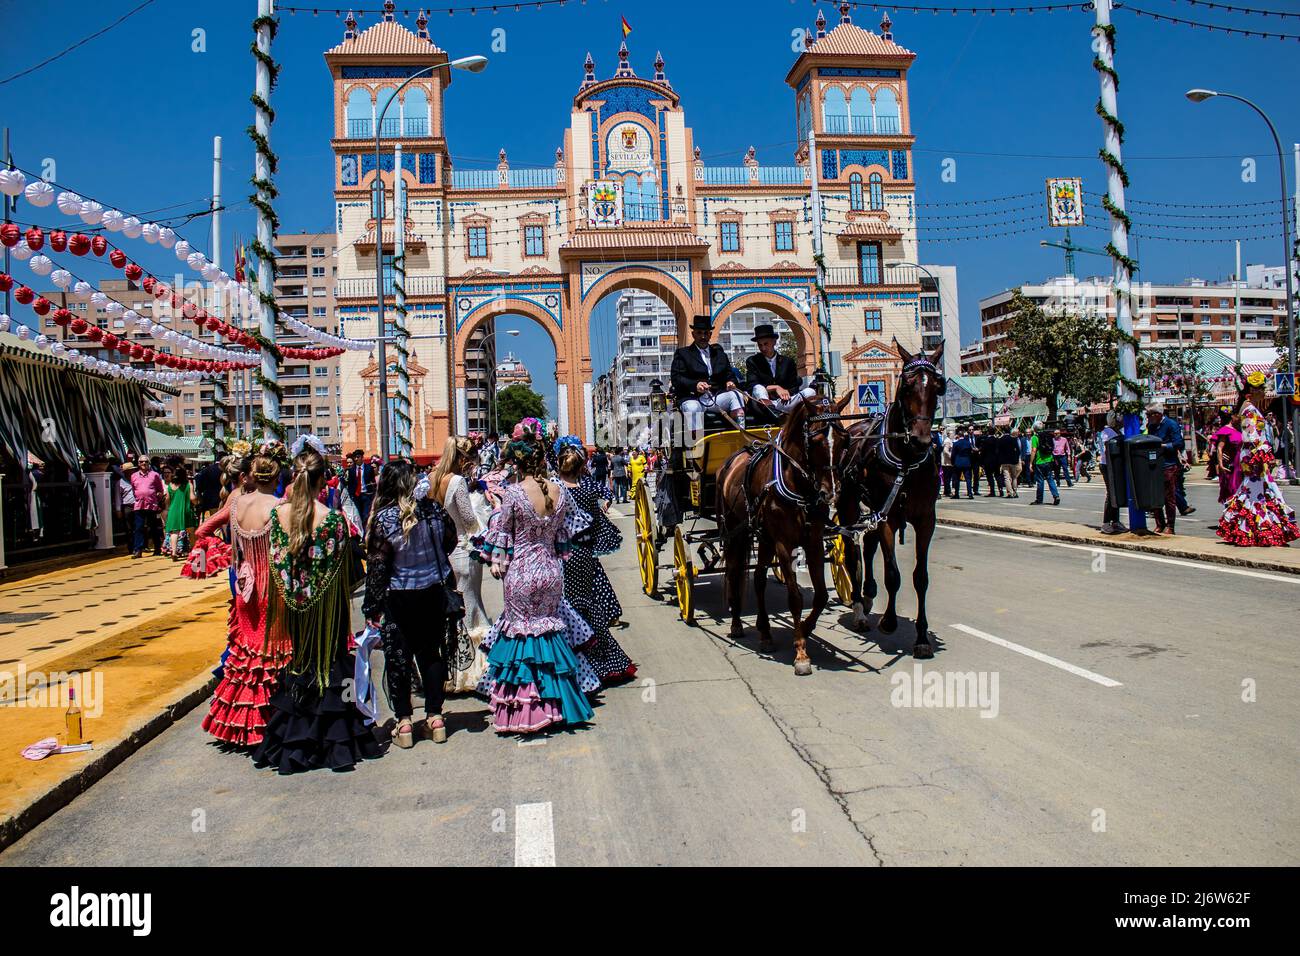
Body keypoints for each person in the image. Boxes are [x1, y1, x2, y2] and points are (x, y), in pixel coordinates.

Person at [253, 447, 380, 773]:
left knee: (300, 665)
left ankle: (295, 738)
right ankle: (335, 739)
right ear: (324, 480)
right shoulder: (334, 522)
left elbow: (276, 565)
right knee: (330, 668)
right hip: (325, 614)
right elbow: (346, 574)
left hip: (293, 612)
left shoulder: (278, 518)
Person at [472, 424, 599, 735]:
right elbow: (563, 536)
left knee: (523, 637)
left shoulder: (513, 493)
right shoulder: (559, 491)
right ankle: (559, 705)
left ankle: (527, 709)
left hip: (522, 573)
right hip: (552, 571)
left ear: (518, 463)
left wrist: (495, 563)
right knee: (549, 634)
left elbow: (501, 537)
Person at [190, 452, 290, 746]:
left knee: (247, 655)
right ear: (276, 478)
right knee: (274, 655)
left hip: (244, 587)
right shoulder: (278, 506)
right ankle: (273, 719)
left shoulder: (235, 505)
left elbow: (201, 530)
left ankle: (240, 723)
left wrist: (227, 553)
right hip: (271, 587)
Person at [363, 457, 458, 749]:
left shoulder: (384, 519)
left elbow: (378, 566)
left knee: (398, 659)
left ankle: (404, 721)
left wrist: (372, 606)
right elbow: (450, 541)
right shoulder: (433, 511)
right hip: (432, 590)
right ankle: (435, 717)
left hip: (399, 595)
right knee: (431, 653)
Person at [554, 437, 636, 685]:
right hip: (585, 556)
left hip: (562, 556)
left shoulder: (555, 490)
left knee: (564, 608)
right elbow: (599, 526)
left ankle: (568, 664)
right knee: (588, 606)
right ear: (581, 467)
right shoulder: (588, 491)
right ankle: (602, 661)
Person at [429, 436, 491, 694]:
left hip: (441, 552)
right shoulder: (456, 481)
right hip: (463, 550)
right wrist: (485, 518)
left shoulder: (432, 479)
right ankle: (470, 671)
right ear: (462, 459)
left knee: (449, 612)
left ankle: (447, 668)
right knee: (471, 609)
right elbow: (467, 518)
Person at [1217, 372, 1299, 547]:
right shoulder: (1249, 410)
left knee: (1259, 491)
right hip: (1254, 458)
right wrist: (1262, 455)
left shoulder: (1251, 408)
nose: (1264, 391)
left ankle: (1258, 528)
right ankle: (1255, 530)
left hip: (1255, 457)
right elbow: (1251, 437)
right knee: (1255, 493)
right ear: (1253, 390)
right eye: (1262, 388)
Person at [670, 314, 746, 437]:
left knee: (736, 395)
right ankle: (697, 445)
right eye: (699, 333)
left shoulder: (720, 354)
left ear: (710, 335)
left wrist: (730, 382)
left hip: (716, 397)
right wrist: (695, 385)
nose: (703, 336)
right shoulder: (683, 354)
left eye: (706, 333)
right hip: (693, 398)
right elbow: (677, 378)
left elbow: (729, 374)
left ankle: (740, 435)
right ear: (693, 334)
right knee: (692, 408)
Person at [745, 323, 816, 418]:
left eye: (766, 344)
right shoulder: (753, 361)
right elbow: (751, 385)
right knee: (758, 388)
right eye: (760, 345)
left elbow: (794, 386)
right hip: (763, 405)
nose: (763, 348)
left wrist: (786, 393)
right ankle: (773, 413)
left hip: (784, 402)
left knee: (810, 392)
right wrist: (776, 387)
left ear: (774, 342)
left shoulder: (788, 362)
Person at [1143, 403, 1184, 535]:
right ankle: (1159, 523)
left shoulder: (1171, 424)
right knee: (1154, 495)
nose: (1147, 418)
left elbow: (1179, 443)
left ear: (1158, 414)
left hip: (1168, 464)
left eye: (1149, 415)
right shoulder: (1151, 426)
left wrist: (1164, 446)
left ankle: (1170, 526)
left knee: (1169, 497)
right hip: (1154, 464)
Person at [129, 455, 166, 558]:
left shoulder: (155, 475)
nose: (143, 464)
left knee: (154, 528)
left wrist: (157, 498)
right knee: (138, 527)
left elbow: (160, 489)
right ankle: (138, 550)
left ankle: (157, 548)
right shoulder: (134, 476)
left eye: (145, 462)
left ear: (149, 463)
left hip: (151, 505)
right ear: (138, 464)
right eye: (141, 462)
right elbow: (133, 489)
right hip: (139, 505)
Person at [163, 464, 199, 561]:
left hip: (173, 511)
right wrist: (197, 502)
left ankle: (174, 552)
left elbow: (167, 499)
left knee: (174, 532)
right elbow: (192, 498)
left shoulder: (170, 486)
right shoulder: (188, 485)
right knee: (191, 531)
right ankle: (194, 551)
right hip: (186, 510)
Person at [1211, 407, 1244, 504]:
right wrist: (1220, 464)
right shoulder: (1225, 430)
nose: (1239, 418)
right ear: (1232, 417)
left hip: (1241, 462)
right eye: (1237, 416)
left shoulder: (1240, 429)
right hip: (1231, 464)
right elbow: (1219, 448)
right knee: (1232, 489)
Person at [1097, 412, 1123, 534]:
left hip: (1113, 464)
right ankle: (1106, 523)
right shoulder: (1107, 433)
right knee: (1111, 493)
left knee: (1116, 493)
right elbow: (1108, 449)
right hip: (1107, 465)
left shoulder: (1114, 432)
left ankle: (1116, 521)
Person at [344, 449, 377, 527]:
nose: (356, 459)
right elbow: (350, 483)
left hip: (366, 495)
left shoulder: (369, 468)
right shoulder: (351, 470)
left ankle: (365, 531)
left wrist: (372, 494)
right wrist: (351, 494)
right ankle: (360, 531)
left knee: (365, 515)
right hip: (356, 496)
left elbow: (373, 482)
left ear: (362, 457)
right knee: (357, 515)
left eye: (358, 457)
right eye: (355, 457)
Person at [1030, 425, 1061, 506]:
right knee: (1050, 479)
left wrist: (1030, 462)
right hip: (1049, 460)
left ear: (1035, 429)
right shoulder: (1049, 435)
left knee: (1040, 481)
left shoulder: (1035, 437)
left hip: (1040, 461)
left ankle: (1039, 499)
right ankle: (1056, 496)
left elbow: (1034, 450)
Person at [951, 427, 976, 499]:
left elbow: (953, 454)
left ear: (958, 436)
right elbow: (971, 453)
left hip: (958, 462)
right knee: (968, 479)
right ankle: (970, 493)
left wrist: (953, 462)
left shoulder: (956, 444)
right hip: (966, 462)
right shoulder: (968, 443)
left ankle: (956, 493)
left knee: (957, 479)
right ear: (964, 436)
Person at [998, 427, 1022, 498]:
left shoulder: (1000, 440)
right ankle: (1015, 492)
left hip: (1004, 461)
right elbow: (1017, 450)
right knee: (1014, 477)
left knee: (1007, 477)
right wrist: (1017, 459)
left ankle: (1010, 492)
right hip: (1013, 461)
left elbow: (998, 451)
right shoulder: (1013, 439)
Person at [978, 427, 1001, 497]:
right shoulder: (997, 440)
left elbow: (983, 452)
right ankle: (1001, 490)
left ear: (988, 432)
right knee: (997, 475)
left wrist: (981, 462)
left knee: (990, 476)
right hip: (996, 461)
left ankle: (992, 491)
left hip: (988, 461)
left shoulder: (986, 441)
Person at [940, 425, 956, 498]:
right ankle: (947, 491)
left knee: (947, 477)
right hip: (947, 463)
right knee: (947, 478)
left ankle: (946, 490)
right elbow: (945, 451)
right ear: (949, 434)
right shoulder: (947, 441)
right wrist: (951, 456)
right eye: (952, 434)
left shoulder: (949, 440)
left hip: (947, 462)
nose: (953, 435)